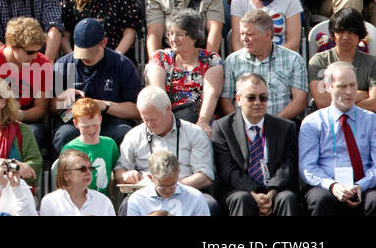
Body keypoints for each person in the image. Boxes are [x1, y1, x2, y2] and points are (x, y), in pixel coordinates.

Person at [116, 85, 218, 213]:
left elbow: (205, 175)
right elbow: (120, 170)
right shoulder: (134, 135)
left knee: (210, 204)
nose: (149, 124)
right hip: (146, 195)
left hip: (186, 192)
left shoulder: (194, 133)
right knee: (127, 205)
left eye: (153, 119)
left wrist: (171, 185)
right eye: (145, 120)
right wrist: (126, 175)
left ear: (168, 109)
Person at [210, 71, 301, 216]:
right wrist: (254, 193)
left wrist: (271, 193)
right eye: (251, 98)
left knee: (287, 198)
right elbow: (227, 170)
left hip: (275, 188)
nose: (258, 103)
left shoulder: (286, 127)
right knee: (242, 198)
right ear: (238, 99)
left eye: (263, 98)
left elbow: (288, 166)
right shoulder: (223, 127)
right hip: (240, 189)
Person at [52, 18, 143, 151]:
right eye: (81, 54)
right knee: (65, 135)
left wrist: (104, 105)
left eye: (89, 54)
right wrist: (63, 98)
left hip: (111, 121)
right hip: (76, 123)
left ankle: (121, 170)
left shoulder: (122, 65)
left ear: (104, 43)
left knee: (123, 133)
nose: (85, 59)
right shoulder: (64, 64)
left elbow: (136, 110)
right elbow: (51, 108)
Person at [300, 60, 376, 214]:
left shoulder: (372, 121)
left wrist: (362, 185)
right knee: (321, 200)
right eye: (342, 86)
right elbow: (308, 167)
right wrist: (332, 185)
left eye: (352, 85)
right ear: (328, 87)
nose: (348, 92)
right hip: (326, 186)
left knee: (375, 200)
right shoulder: (313, 123)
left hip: (364, 186)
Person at [219, 9, 308, 120]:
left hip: (282, 127)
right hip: (243, 130)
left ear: (267, 34)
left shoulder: (293, 59)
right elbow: (226, 100)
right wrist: (242, 125)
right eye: (242, 34)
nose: (244, 39)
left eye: (249, 34)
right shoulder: (232, 61)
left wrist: (273, 125)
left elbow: (300, 101)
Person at [309, 8, 376, 111]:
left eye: (351, 32)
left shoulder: (373, 63)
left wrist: (336, 102)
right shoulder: (319, 61)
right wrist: (360, 94)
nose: (345, 37)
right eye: (340, 31)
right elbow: (321, 102)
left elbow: (373, 104)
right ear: (333, 34)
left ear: (360, 35)